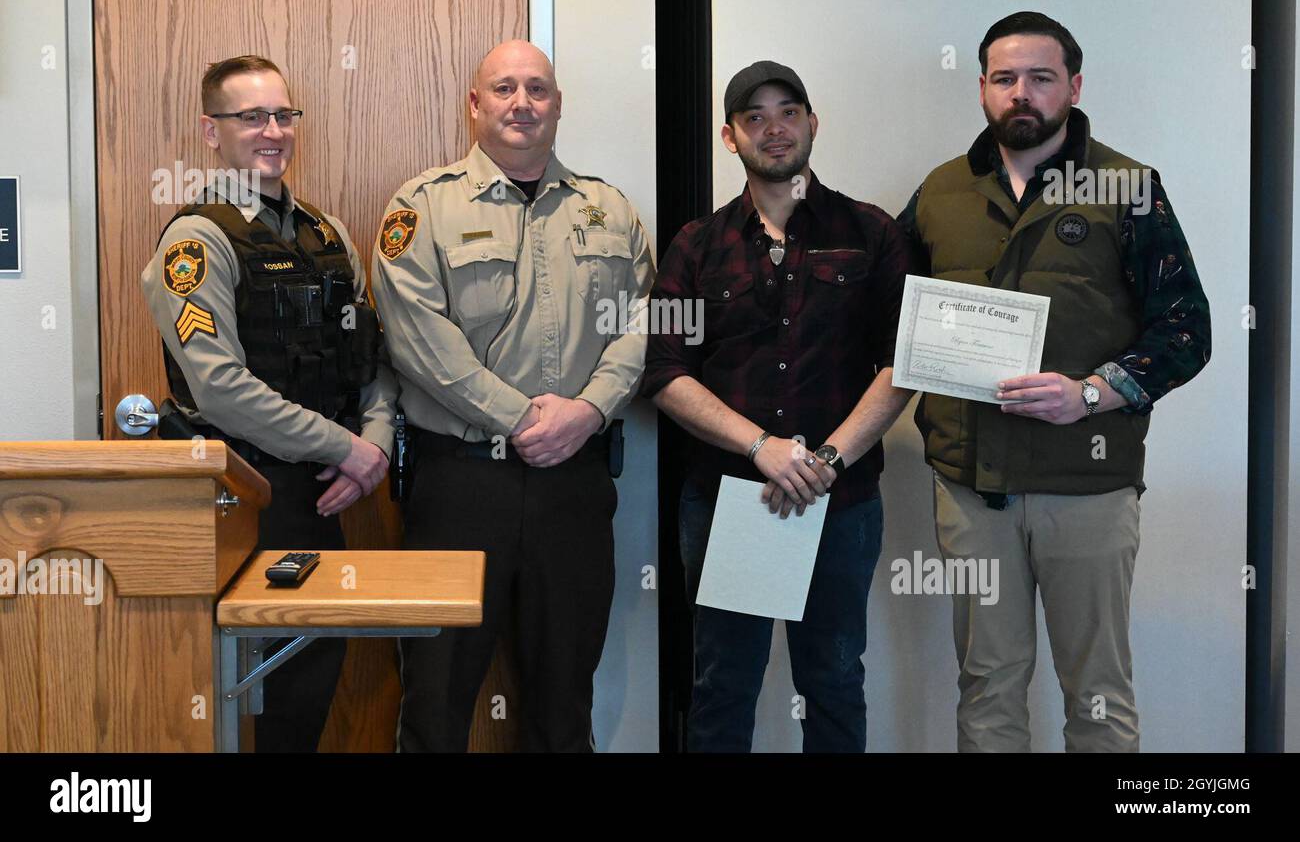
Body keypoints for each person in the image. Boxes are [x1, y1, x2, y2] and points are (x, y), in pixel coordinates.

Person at [897, 12, 1212, 752]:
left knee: (1097, 694)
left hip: (1090, 488)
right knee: (987, 687)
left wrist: (1091, 393)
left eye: (1041, 77)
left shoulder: (1128, 185)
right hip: (973, 488)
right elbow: (893, 322)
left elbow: (1188, 330)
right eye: (1004, 78)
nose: (1021, 94)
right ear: (981, 88)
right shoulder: (940, 191)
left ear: (1074, 85)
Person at [370, 39, 655, 752]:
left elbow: (645, 322)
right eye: (503, 88)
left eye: (537, 89)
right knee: (436, 698)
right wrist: (525, 418)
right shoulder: (421, 207)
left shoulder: (609, 209)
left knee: (565, 703)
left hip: (576, 486)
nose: (521, 103)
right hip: (461, 485)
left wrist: (588, 412)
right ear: (474, 105)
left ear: (558, 105)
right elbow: (417, 341)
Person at [643, 61, 914, 752]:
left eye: (788, 111)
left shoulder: (871, 233)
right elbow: (666, 371)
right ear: (729, 137)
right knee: (723, 683)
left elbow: (903, 363)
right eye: (754, 117)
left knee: (832, 680)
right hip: (732, 498)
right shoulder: (696, 246)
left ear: (813, 123)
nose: (775, 128)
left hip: (840, 498)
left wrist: (825, 457)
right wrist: (762, 446)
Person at [141, 55, 395, 752]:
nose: (273, 130)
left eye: (284, 114)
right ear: (210, 130)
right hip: (236, 498)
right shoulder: (196, 242)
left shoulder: (328, 233)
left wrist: (372, 447)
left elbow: (370, 356)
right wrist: (349, 449)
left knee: (309, 680)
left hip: (322, 494)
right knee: (219, 688)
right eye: (251, 116)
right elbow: (220, 386)